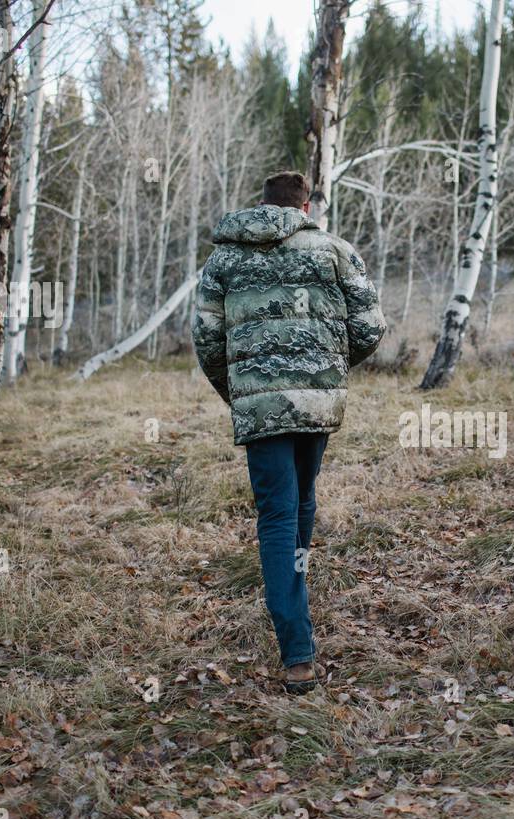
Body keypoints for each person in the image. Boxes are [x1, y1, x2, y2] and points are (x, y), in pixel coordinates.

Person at [191, 171, 386, 693]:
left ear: (262, 203)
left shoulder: (225, 260)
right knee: (299, 506)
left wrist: (242, 392)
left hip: (262, 409)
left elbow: (207, 340)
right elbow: (369, 328)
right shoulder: (334, 251)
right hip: (316, 401)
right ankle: (297, 641)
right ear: (305, 207)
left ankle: (297, 644)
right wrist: (326, 371)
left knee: (281, 514)